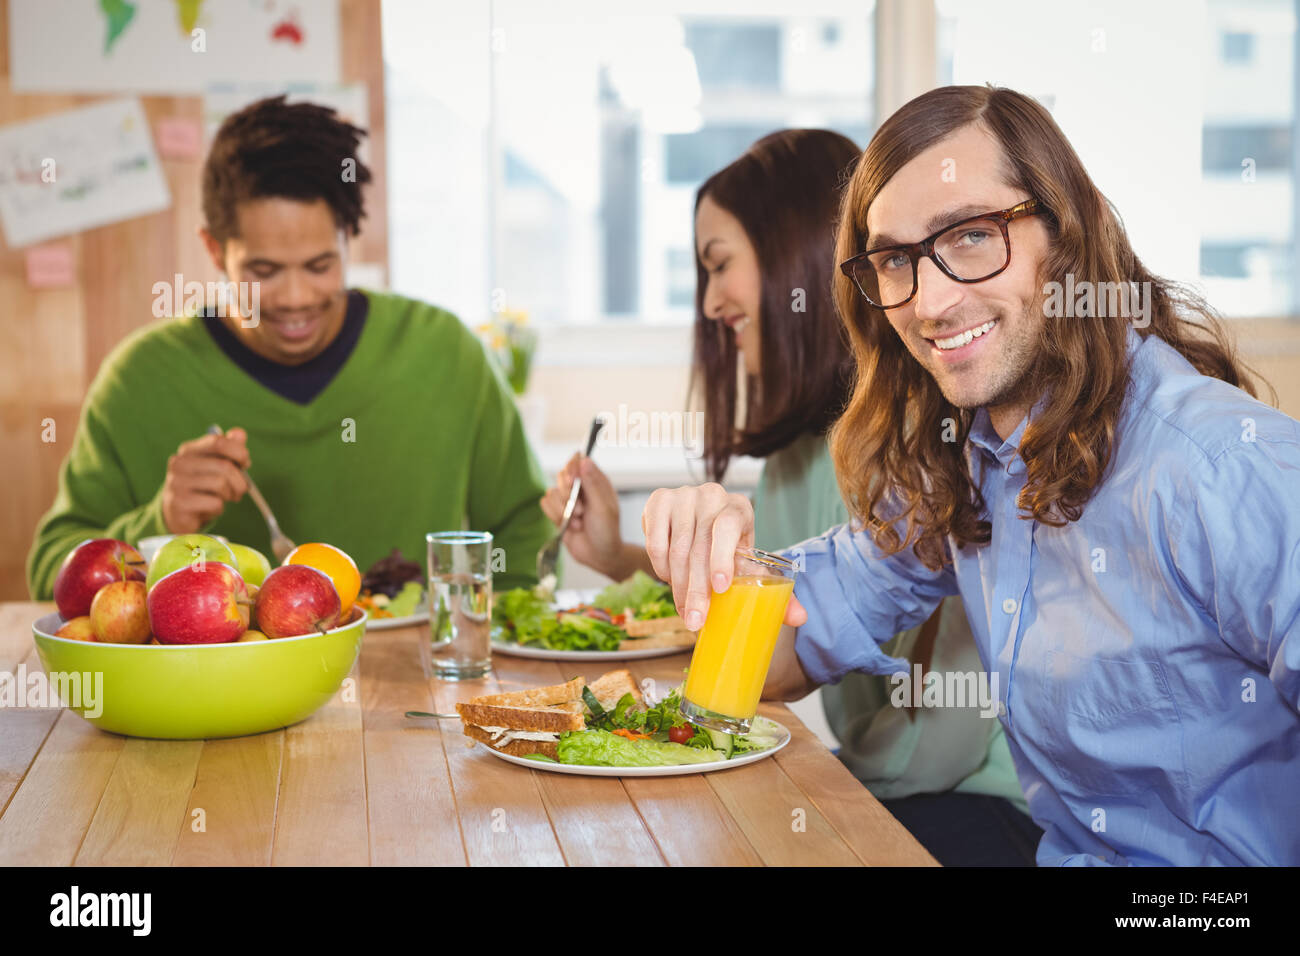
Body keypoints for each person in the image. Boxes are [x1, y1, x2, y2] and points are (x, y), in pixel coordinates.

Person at [640, 86, 1299, 866]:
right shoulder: (967, 464)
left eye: (973, 236)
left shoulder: (1227, 466)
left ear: (1068, 233)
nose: (933, 301)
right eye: (894, 261)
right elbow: (780, 661)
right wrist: (724, 561)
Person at [542, 128, 1041, 864]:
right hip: (894, 786)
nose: (710, 302)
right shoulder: (795, 457)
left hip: (982, 808)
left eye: (720, 266)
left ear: (797, 259)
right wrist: (622, 554)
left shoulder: (934, 438)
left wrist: (818, 783)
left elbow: (939, 740)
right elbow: (765, 619)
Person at [27, 96, 550, 597]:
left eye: (321, 266)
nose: (296, 299)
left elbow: (529, 530)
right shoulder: (139, 378)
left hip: (417, 681)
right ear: (214, 249)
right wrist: (159, 522)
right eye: (263, 271)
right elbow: (52, 571)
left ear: (349, 236)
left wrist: (480, 638)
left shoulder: (444, 352)